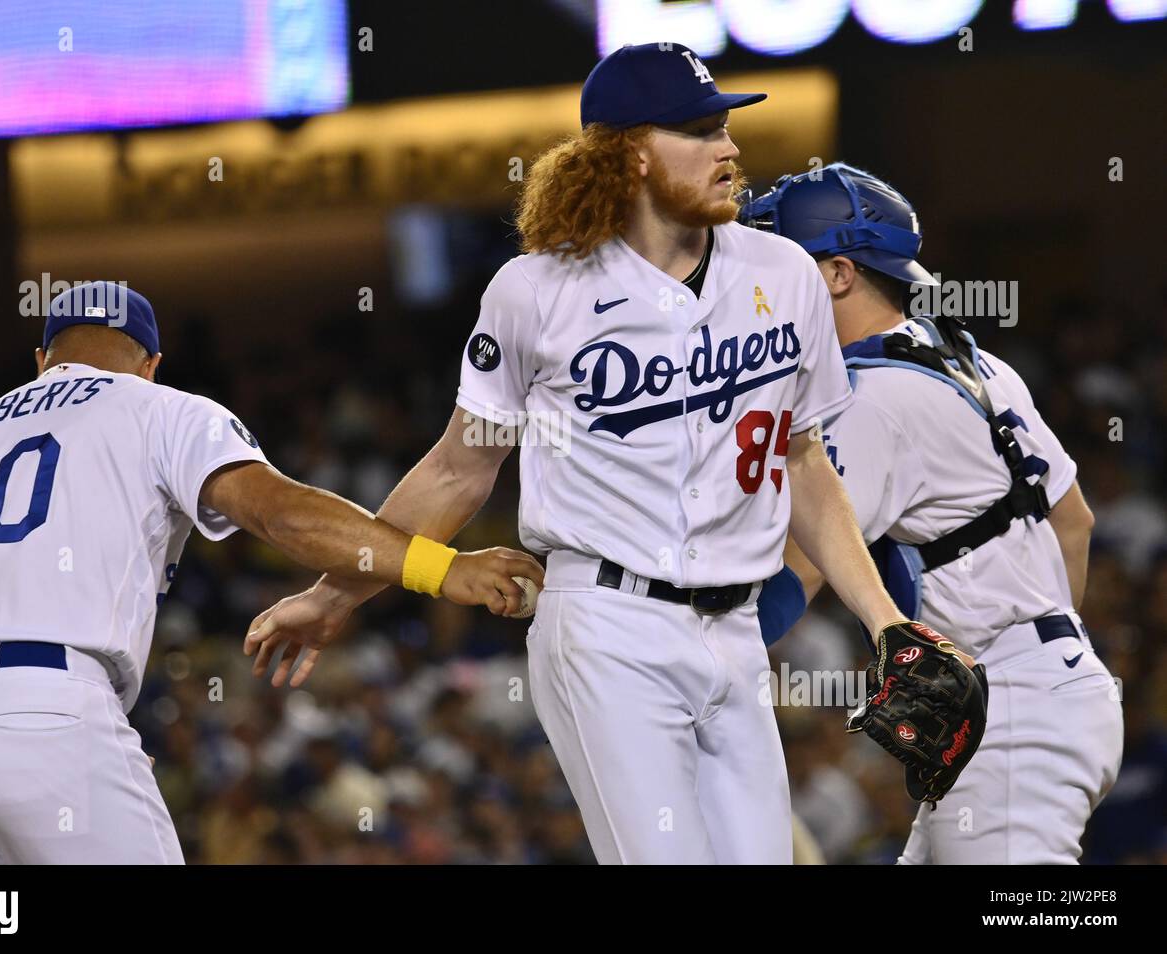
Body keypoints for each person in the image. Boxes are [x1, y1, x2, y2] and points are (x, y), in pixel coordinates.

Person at [245, 45, 963, 864]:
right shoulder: (537, 292)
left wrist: (887, 624)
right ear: (629, 153)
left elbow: (805, 464)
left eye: (724, 125)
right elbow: (459, 468)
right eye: (698, 130)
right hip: (607, 624)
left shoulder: (784, 272)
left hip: (735, 631)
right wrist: (336, 595)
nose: (729, 148)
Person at [0, 281, 542, 864]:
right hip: (42, 711)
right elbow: (282, 515)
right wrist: (439, 566)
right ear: (152, 363)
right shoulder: (158, 408)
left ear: (42, 360)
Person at [742, 163, 1123, 863]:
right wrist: (1049, 660)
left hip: (1012, 708)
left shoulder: (864, 398)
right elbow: (1075, 522)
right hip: (1045, 688)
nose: (757, 284)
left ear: (837, 274)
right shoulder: (976, 362)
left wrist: (695, 657)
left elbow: (802, 571)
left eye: (777, 259)